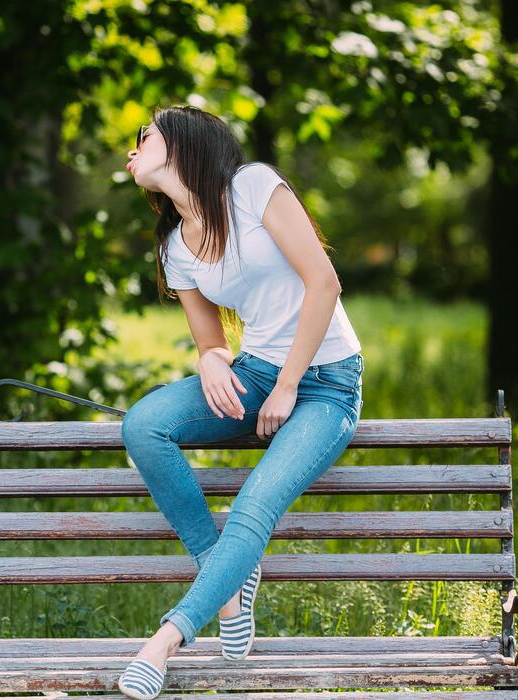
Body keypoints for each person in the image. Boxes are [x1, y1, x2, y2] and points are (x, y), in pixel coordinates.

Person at [116, 106, 363, 700]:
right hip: (255, 374)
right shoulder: (176, 244)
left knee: (254, 504)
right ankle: (228, 582)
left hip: (326, 383)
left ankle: (164, 642)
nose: (131, 149)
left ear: (179, 144)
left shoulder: (252, 187)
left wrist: (286, 387)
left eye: (142, 137)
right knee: (144, 423)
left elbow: (324, 282)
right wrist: (209, 360)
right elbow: (211, 341)